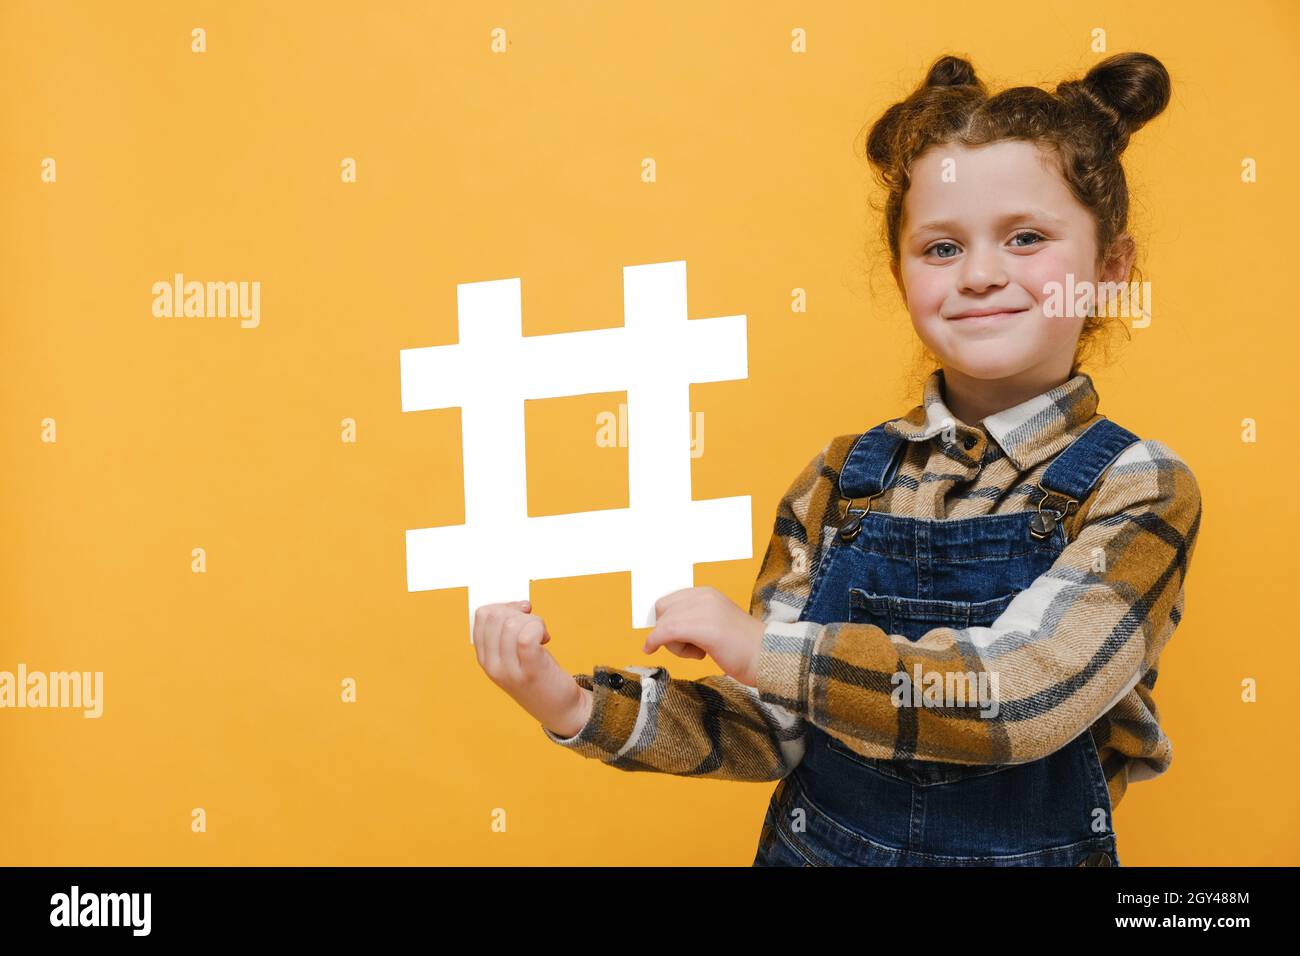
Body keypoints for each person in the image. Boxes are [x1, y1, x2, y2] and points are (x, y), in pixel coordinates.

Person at [472, 51, 1202, 867]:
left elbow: (1020, 694)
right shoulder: (842, 478)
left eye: (1025, 238)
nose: (982, 274)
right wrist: (568, 702)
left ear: (1109, 270)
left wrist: (763, 650)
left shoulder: (1136, 485)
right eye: (942, 248)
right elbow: (771, 724)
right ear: (900, 275)